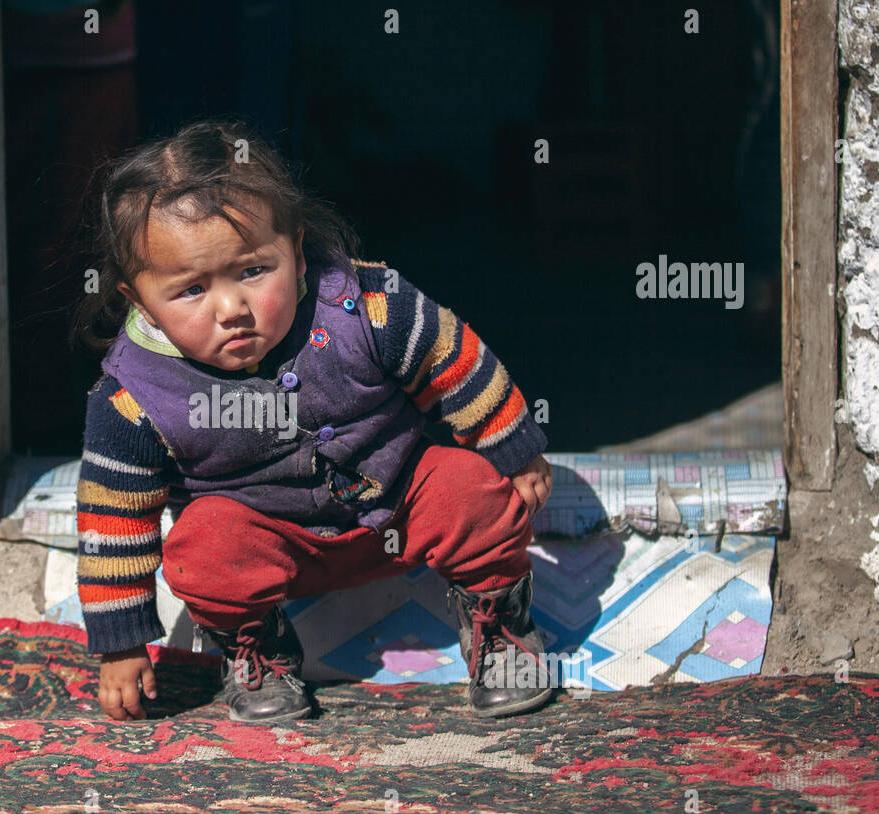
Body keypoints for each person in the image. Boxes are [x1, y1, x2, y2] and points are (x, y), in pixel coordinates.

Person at [71, 119, 553, 724]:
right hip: (271, 546)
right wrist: (119, 642)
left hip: (400, 503)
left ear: (295, 251)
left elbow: (449, 353)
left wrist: (511, 443)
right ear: (139, 300)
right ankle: (258, 653)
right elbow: (112, 518)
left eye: (252, 271)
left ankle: (501, 628)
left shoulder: (361, 304)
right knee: (203, 545)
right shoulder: (132, 395)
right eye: (191, 290)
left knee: (469, 487)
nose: (232, 309)